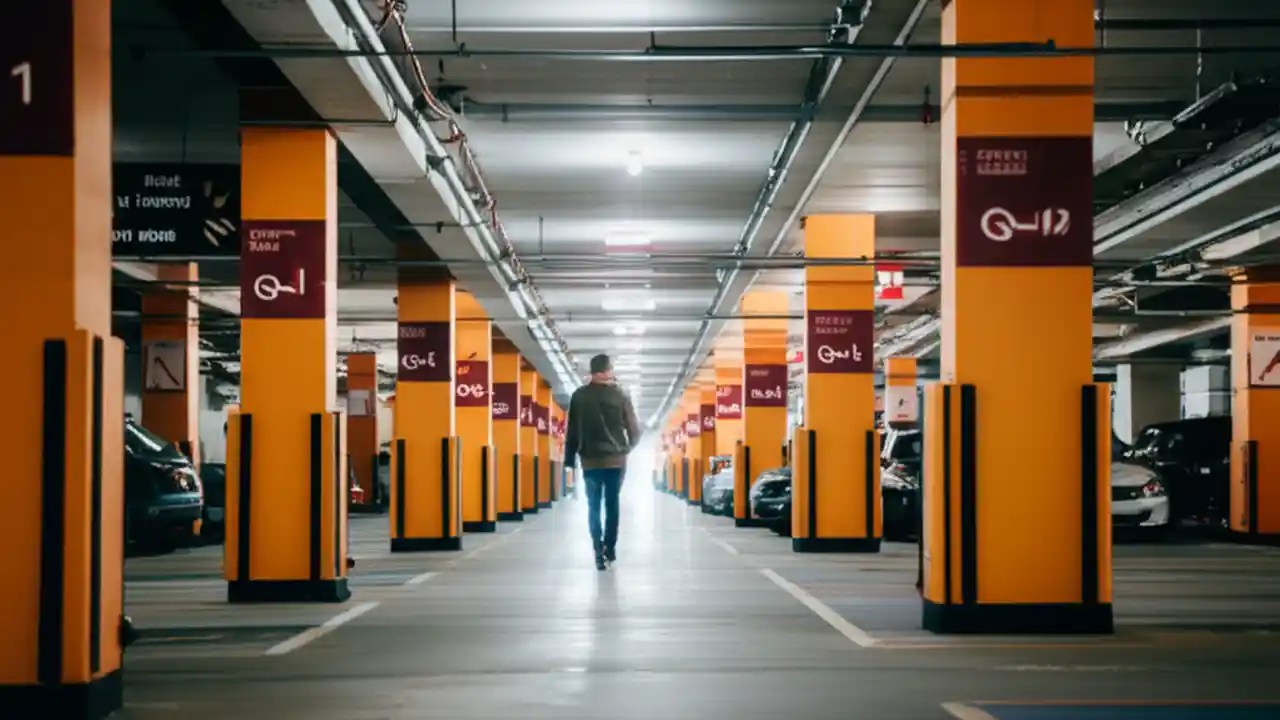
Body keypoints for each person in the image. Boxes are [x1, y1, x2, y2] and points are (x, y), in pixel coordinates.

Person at [564, 353, 642, 571]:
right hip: (615, 462)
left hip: (590, 461)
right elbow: (634, 431)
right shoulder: (621, 395)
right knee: (612, 505)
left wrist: (569, 460)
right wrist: (626, 449)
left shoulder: (579, 396)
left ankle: (597, 551)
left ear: (591, 372)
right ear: (608, 371)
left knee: (593, 506)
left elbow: (571, 432)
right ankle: (610, 548)